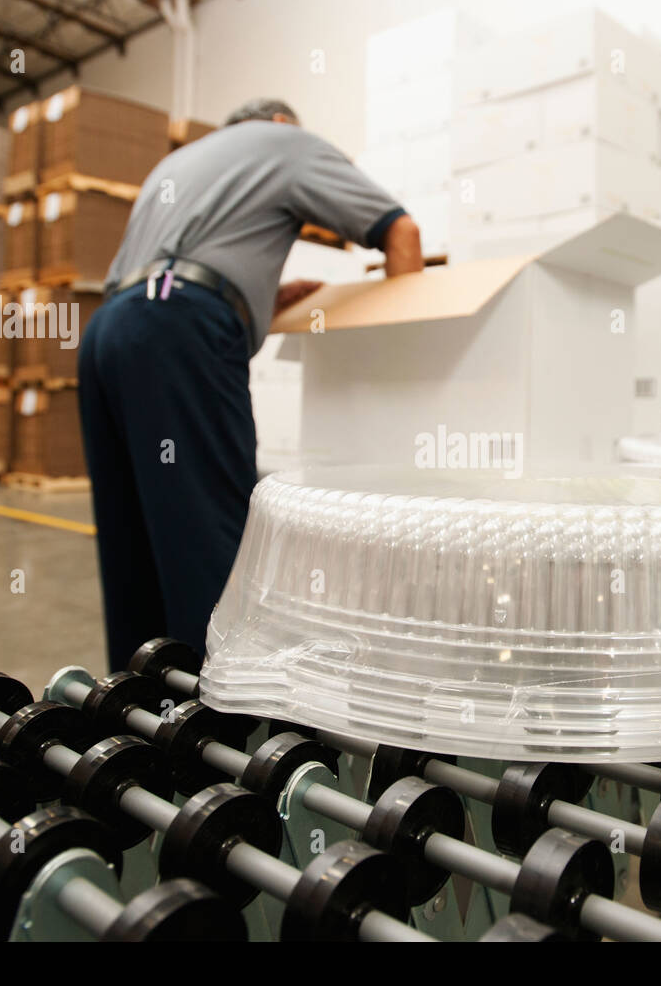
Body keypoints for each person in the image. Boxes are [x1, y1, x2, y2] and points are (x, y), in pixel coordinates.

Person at [78, 98, 423, 671]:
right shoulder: (288, 142)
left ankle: (134, 713)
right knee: (215, 545)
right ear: (283, 123)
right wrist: (409, 348)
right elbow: (399, 229)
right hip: (177, 329)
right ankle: (219, 731)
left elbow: (174, 268)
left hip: (108, 331)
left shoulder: (178, 164)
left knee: (133, 547)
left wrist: (260, 299)